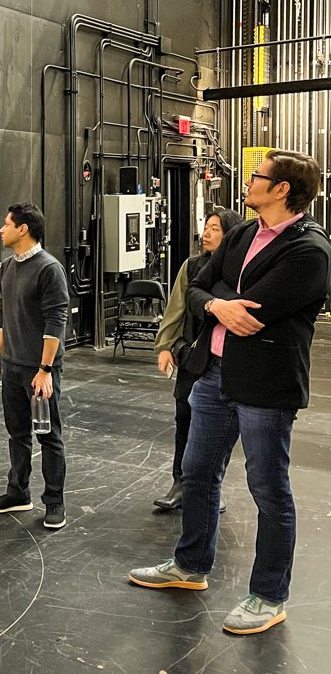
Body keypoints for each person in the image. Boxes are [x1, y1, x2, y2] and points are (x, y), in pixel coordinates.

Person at [129, 150, 330, 635]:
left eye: (258, 177)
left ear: (282, 189)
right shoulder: (241, 232)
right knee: (197, 474)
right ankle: (191, 566)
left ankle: (268, 595)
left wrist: (219, 301)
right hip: (214, 374)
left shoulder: (311, 251)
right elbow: (199, 285)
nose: (248, 181)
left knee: (268, 489)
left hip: (265, 386)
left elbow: (257, 310)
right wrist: (219, 304)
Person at [0, 203, 70, 530]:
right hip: (12, 366)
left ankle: (54, 502)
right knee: (17, 434)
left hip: (39, 371)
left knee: (48, 436)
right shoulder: (7, 267)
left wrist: (45, 370)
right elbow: (2, 319)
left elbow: (55, 322)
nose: (1, 229)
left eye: (6, 224)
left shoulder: (49, 269)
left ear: (23, 229)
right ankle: (17, 492)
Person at [152, 208, 243, 510]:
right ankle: (180, 483)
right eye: (206, 227)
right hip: (193, 358)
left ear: (229, 234)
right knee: (184, 420)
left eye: (215, 228)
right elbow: (175, 309)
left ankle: (207, 486)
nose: (206, 233)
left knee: (218, 429)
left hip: (228, 362)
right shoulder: (192, 268)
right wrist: (166, 346)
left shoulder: (240, 270)